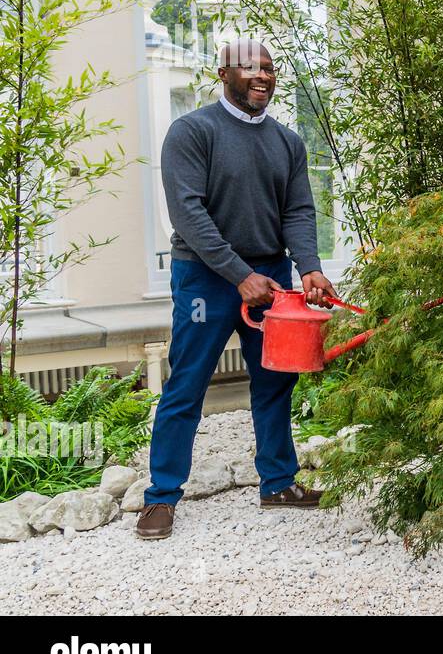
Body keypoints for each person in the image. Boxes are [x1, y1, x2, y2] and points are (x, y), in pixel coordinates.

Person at [136, 39, 338, 540]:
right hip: (205, 276)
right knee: (187, 385)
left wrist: (308, 267)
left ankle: (278, 483)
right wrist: (237, 274)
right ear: (223, 73)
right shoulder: (192, 131)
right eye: (251, 68)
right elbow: (187, 212)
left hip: (271, 276)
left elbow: (297, 211)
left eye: (270, 68)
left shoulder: (287, 141)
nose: (263, 76)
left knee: (275, 381)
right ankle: (160, 497)